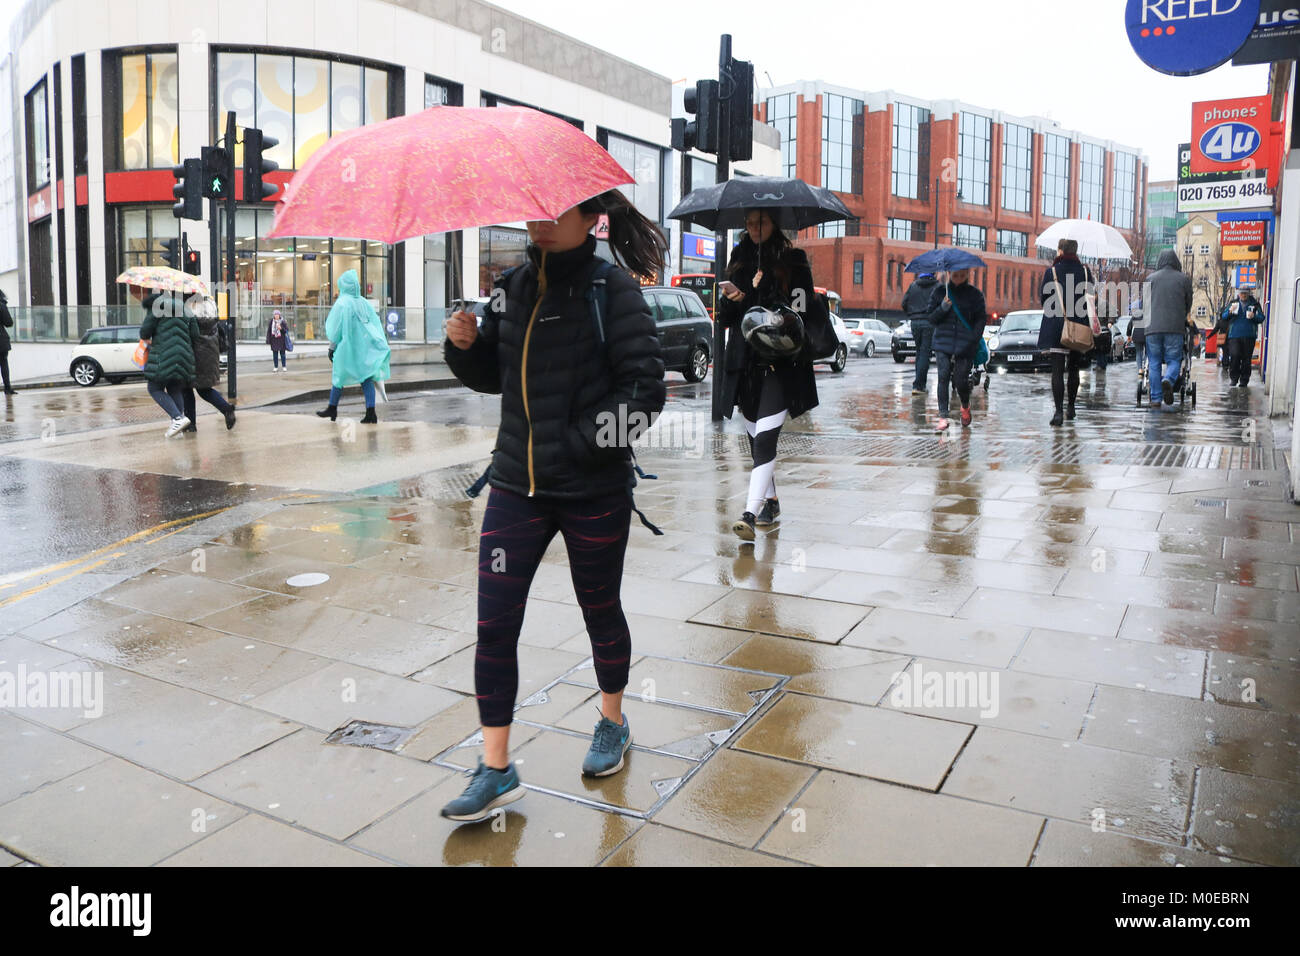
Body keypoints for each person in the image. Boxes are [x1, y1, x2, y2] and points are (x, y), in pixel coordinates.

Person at [437, 189, 667, 824]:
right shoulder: (512, 285)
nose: (538, 223)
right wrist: (465, 344)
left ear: (590, 219)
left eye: (553, 213)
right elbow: (493, 377)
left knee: (599, 607)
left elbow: (646, 392)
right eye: (532, 211)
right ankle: (495, 767)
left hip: (592, 488)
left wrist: (576, 443)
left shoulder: (611, 289)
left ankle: (612, 721)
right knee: (494, 623)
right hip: (516, 485)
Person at [715, 209, 821, 539]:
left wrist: (771, 295)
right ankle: (771, 501)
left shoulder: (795, 259)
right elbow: (727, 318)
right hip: (744, 362)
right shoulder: (738, 257)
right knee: (755, 440)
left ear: (774, 223)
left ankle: (749, 513)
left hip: (780, 361)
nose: (752, 228)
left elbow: (802, 310)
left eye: (759, 222)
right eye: (748, 222)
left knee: (764, 439)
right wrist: (737, 296)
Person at [315, 271, 390, 423]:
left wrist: (332, 346)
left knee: (339, 375)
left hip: (347, 347)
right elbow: (373, 323)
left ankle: (332, 408)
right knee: (366, 377)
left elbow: (336, 328)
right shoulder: (363, 302)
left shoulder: (343, 303)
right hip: (364, 346)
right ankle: (371, 412)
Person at [1038, 238, 1094, 426]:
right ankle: (1071, 408)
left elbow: (1044, 299)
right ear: (1076, 251)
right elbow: (1091, 297)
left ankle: (1058, 412)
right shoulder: (1085, 272)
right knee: (1074, 368)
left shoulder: (1051, 272)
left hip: (1056, 325)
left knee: (1057, 370)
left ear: (1060, 251)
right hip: (1079, 324)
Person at [925, 267, 986, 431]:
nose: (958, 278)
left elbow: (981, 319)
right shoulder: (939, 292)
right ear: (950, 274)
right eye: (955, 275)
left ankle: (965, 405)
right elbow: (931, 317)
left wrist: (974, 338)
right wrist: (943, 307)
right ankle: (943, 416)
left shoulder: (975, 295)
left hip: (965, 343)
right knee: (943, 376)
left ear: (967, 274)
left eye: (962, 275)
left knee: (960, 381)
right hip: (943, 342)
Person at [139, 290, 200, 438]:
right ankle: (177, 426)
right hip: (184, 357)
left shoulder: (158, 307)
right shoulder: (186, 309)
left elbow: (145, 332)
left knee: (154, 388)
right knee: (175, 389)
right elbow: (196, 335)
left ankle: (178, 418)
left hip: (163, 355)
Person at [1143, 250, 1194, 407]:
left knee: (1154, 362)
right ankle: (1169, 379)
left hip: (1152, 328)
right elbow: (1188, 302)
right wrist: (1183, 314)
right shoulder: (1183, 279)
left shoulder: (1150, 278)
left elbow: (1145, 304)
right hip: (1174, 327)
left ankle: (1156, 398)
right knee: (1174, 359)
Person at [180, 297, 237, 431]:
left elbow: (189, 336)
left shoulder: (191, 316)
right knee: (202, 389)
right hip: (209, 355)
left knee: (188, 389)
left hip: (195, 356)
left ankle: (192, 423)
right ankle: (225, 410)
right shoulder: (211, 311)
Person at [902, 271, 939, 395]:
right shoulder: (937, 286)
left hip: (915, 322)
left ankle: (919, 384)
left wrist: (912, 313)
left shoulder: (913, 286)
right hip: (929, 322)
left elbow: (904, 303)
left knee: (919, 352)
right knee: (924, 353)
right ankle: (918, 385)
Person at [1221, 287, 1266, 388]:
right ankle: (1234, 378)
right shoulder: (1233, 304)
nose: (1243, 295)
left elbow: (1262, 317)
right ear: (1238, 294)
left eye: (1245, 293)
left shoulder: (1254, 304)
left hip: (1249, 336)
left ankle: (1244, 380)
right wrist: (1230, 312)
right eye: (1242, 293)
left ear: (1249, 294)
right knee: (1235, 355)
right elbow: (1223, 316)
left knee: (1246, 359)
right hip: (1234, 336)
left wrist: (1253, 316)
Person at [0, 290, 15, 395]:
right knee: (3, 363)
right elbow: (9, 323)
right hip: (1, 340)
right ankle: (7, 388)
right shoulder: (1, 305)